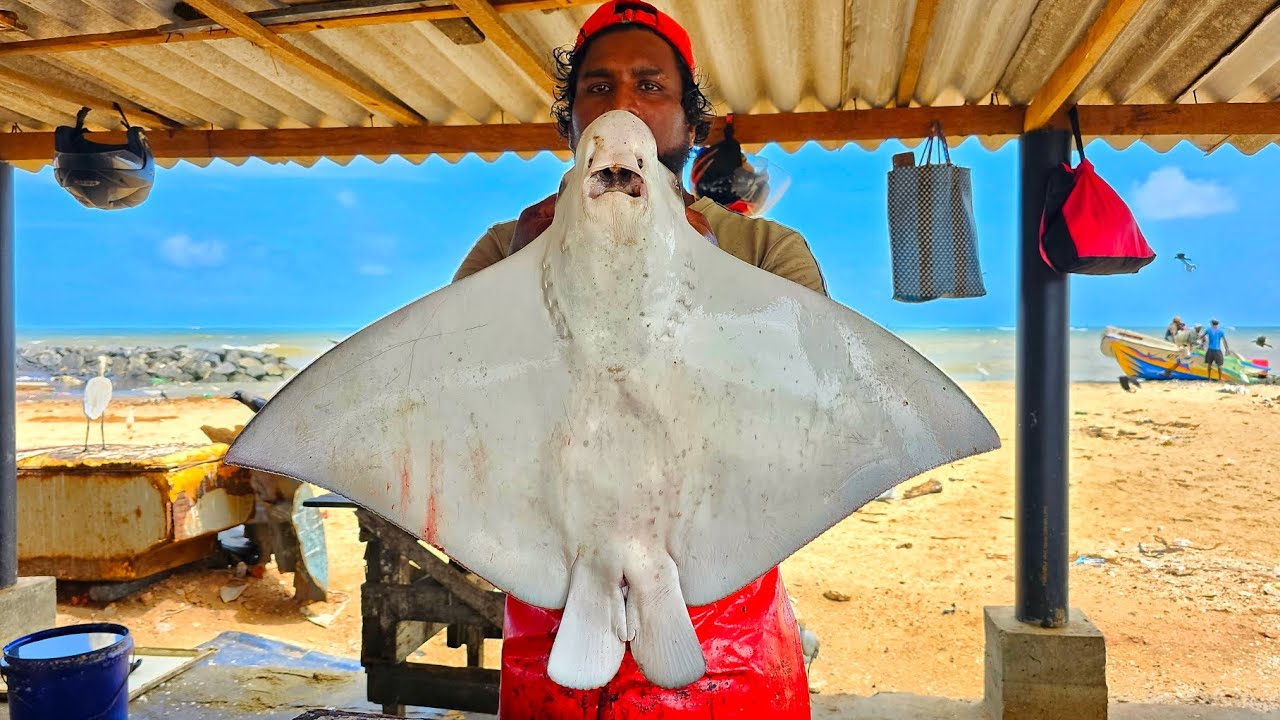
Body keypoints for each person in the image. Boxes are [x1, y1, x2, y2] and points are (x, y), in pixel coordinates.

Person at [452, 3, 821, 717]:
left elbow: (808, 410)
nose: (620, 105)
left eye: (651, 88)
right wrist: (525, 285)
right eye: (597, 88)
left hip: (725, 617)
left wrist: (704, 269)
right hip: (558, 606)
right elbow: (454, 415)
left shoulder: (767, 253)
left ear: (692, 127)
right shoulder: (504, 250)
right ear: (570, 127)